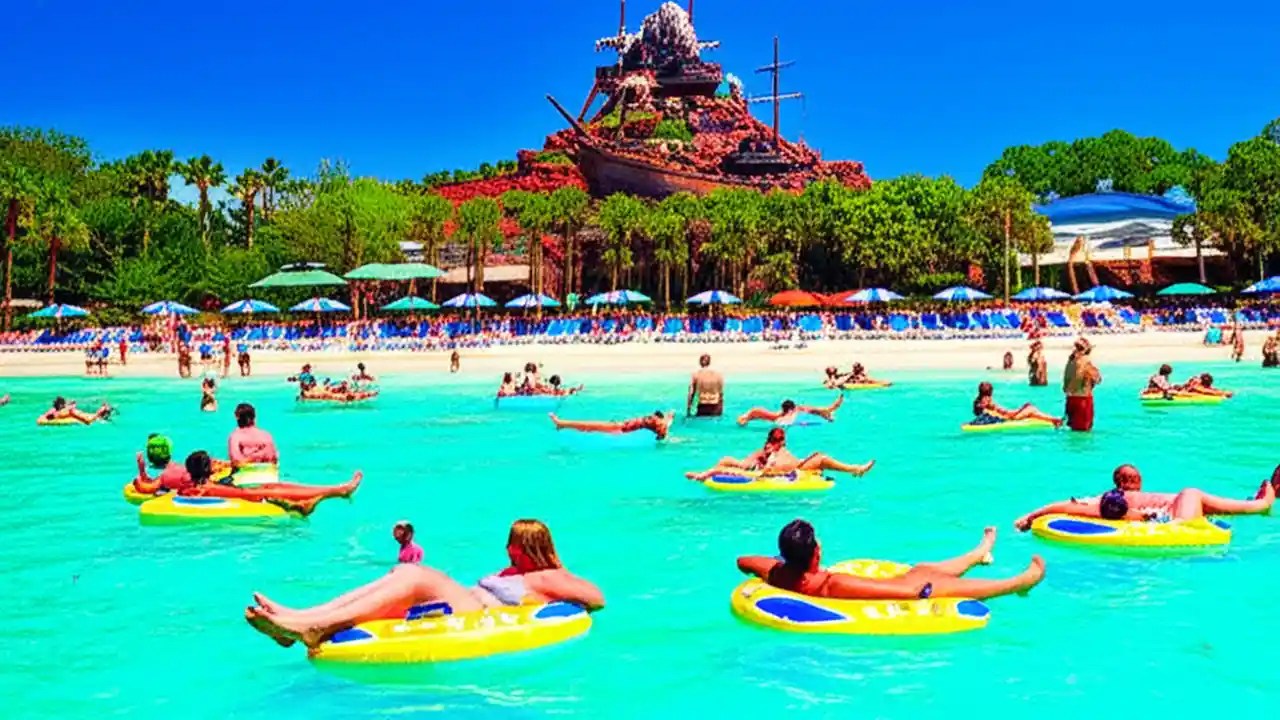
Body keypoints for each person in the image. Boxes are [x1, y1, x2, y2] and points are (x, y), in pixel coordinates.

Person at [243, 519, 605, 649]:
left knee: (415, 575)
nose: (507, 548)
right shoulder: (514, 569)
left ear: (529, 546)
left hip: (477, 612)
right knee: (401, 573)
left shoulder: (548, 576)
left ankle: (314, 628)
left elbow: (596, 598)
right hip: (467, 600)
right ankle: (301, 617)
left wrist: (542, 595)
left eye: (513, 542)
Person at [736, 519, 1045, 602]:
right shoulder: (831, 583)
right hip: (894, 589)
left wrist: (779, 562)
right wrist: (919, 591)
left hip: (794, 567)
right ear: (816, 552)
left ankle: (979, 552)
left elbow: (743, 560)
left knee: (922, 567)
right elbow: (898, 592)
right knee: (936, 580)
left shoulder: (777, 573)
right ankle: (1017, 583)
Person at [1014, 464, 1277, 530]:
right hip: (1175, 517)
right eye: (1124, 477)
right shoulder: (1108, 499)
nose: (1130, 480)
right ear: (1117, 484)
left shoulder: (1132, 496)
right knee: (1191, 492)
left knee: (1193, 496)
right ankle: (1264, 501)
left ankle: (1258, 501)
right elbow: (1067, 506)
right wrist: (1030, 516)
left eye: (1133, 476)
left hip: (1175, 509)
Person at [163, 450, 360, 516]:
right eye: (212, 462)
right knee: (278, 488)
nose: (216, 463)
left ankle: (331, 492)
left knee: (279, 486)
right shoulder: (205, 488)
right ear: (206, 468)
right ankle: (337, 490)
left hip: (250, 493)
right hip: (253, 497)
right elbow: (240, 495)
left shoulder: (197, 485)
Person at [685, 427, 874, 480]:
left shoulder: (767, 450)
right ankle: (855, 469)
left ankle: (703, 474)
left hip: (787, 468)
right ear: (782, 440)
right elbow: (767, 470)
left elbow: (749, 464)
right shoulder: (774, 452)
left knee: (727, 461)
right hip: (789, 471)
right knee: (822, 457)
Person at [971, 382, 1062, 427]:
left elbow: (980, 411)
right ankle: (1054, 420)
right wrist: (1021, 409)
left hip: (1000, 418)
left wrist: (1021, 409)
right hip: (1006, 420)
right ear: (990, 391)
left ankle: (1053, 420)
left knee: (1031, 412)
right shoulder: (988, 401)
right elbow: (1006, 413)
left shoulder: (978, 401)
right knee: (1031, 408)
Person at [549, 410, 675, 439]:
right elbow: (665, 428)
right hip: (619, 427)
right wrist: (670, 417)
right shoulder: (661, 423)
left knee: (588, 426)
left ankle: (561, 423)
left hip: (619, 428)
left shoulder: (657, 422)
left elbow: (663, 431)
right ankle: (562, 424)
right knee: (588, 427)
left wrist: (669, 417)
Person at [1062, 338, 1101, 432]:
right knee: (1084, 432)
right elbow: (1097, 379)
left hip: (1070, 398)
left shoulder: (1070, 361)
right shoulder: (1085, 361)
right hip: (1083, 399)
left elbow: (1065, 385)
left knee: (1074, 430)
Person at [737, 395, 843, 427]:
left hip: (779, 424)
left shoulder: (777, 415)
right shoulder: (800, 409)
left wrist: (746, 417)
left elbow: (756, 411)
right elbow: (829, 408)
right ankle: (828, 417)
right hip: (791, 424)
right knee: (824, 413)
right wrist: (840, 400)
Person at [228, 403, 279, 468]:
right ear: (254, 417)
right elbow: (273, 458)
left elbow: (236, 461)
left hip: (244, 475)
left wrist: (251, 457)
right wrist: (260, 454)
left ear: (237, 417)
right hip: (270, 475)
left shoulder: (235, 436)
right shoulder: (266, 435)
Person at [40, 396, 112, 425]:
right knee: (88, 418)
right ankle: (102, 410)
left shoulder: (56, 410)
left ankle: (102, 410)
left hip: (72, 413)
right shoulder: (67, 410)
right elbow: (88, 421)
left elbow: (47, 416)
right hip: (73, 413)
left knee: (88, 416)